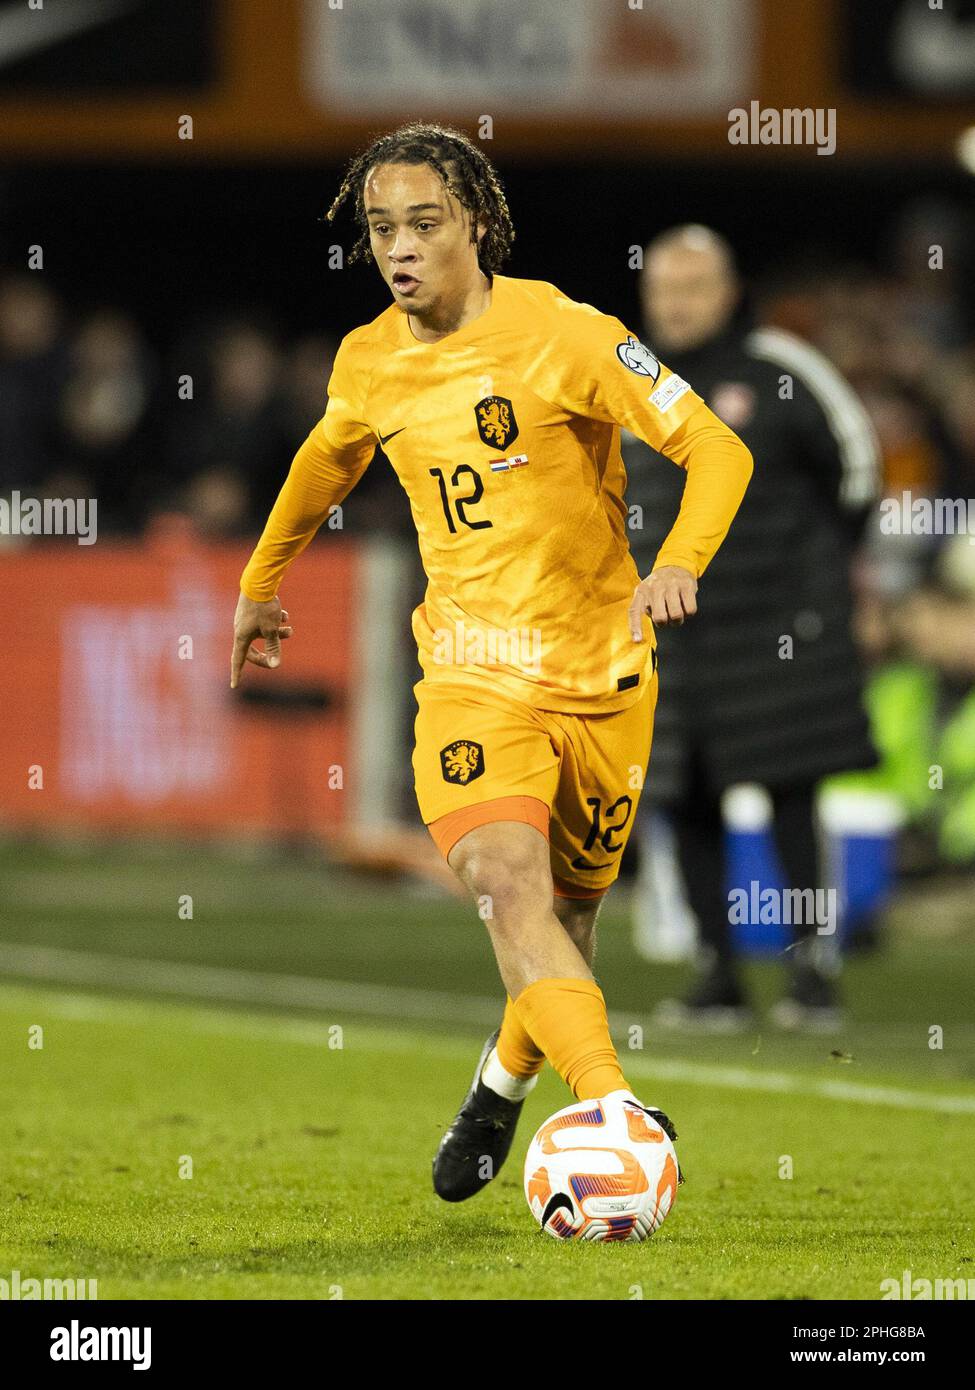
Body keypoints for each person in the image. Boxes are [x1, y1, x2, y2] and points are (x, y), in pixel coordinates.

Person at [230, 127, 753, 1206]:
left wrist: (679, 561)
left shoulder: (567, 332)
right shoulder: (369, 358)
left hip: (605, 677)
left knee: (564, 926)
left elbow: (717, 446)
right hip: (471, 673)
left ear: (475, 221)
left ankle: (501, 1082)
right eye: (381, 229)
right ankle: (614, 1111)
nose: (400, 249)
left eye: (423, 223)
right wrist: (260, 582)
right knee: (505, 886)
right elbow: (321, 464)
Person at [625, 225, 880, 1031]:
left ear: (728, 291)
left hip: (780, 622)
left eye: (693, 287)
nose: (676, 303)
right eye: (663, 288)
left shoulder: (779, 367)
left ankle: (810, 970)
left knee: (790, 790)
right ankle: (716, 974)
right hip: (677, 630)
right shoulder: (628, 375)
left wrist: (816, 578)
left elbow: (856, 469)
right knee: (683, 798)